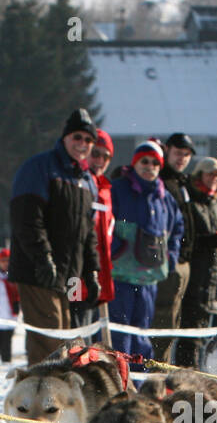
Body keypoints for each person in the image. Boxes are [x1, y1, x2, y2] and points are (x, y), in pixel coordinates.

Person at [8, 108, 101, 363]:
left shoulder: (86, 180)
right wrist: (43, 258)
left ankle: (53, 398)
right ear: (65, 138)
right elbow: (27, 219)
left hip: (70, 276)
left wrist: (92, 271)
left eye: (88, 140)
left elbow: (87, 233)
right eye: (77, 137)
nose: (82, 144)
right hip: (39, 270)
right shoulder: (40, 167)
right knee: (49, 344)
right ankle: (39, 397)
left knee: (68, 345)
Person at [108, 139, 183, 359]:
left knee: (142, 333)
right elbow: (102, 223)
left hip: (149, 279)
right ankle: (118, 381)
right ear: (134, 163)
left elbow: (178, 227)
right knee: (119, 332)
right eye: (144, 161)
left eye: (154, 163)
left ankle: (138, 381)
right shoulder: (118, 189)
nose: (149, 167)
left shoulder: (165, 197)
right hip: (120, 277)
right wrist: (116, 248)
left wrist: (171, 256)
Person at [174, 156, 217, 367]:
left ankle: (199, 376)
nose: (214, 179)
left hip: (214, 282)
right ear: (200, 175)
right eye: (210, 174)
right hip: (194, 279)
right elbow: (185, 240)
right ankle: (185, 376)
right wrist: (208, 241)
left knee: (206, 338)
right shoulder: (191, 202)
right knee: (189, 337)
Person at [151, 132, 196, 361]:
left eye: (187, 155)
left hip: (184, 262)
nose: (182, 158)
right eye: (178, 153)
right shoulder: (161, 181)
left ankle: (162, 367)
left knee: (173, 321)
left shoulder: (183, 182)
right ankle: (157, 370)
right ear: (166, 150)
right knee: (162, 321)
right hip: (168, 262)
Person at [79, 128, 115, 337]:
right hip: (77, 272)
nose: (100, 160)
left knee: (93, 331)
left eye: (106, 156)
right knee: (76, 328)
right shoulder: (81, 181)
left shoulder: (105, 188)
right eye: (96, 154)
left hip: (98, 272)